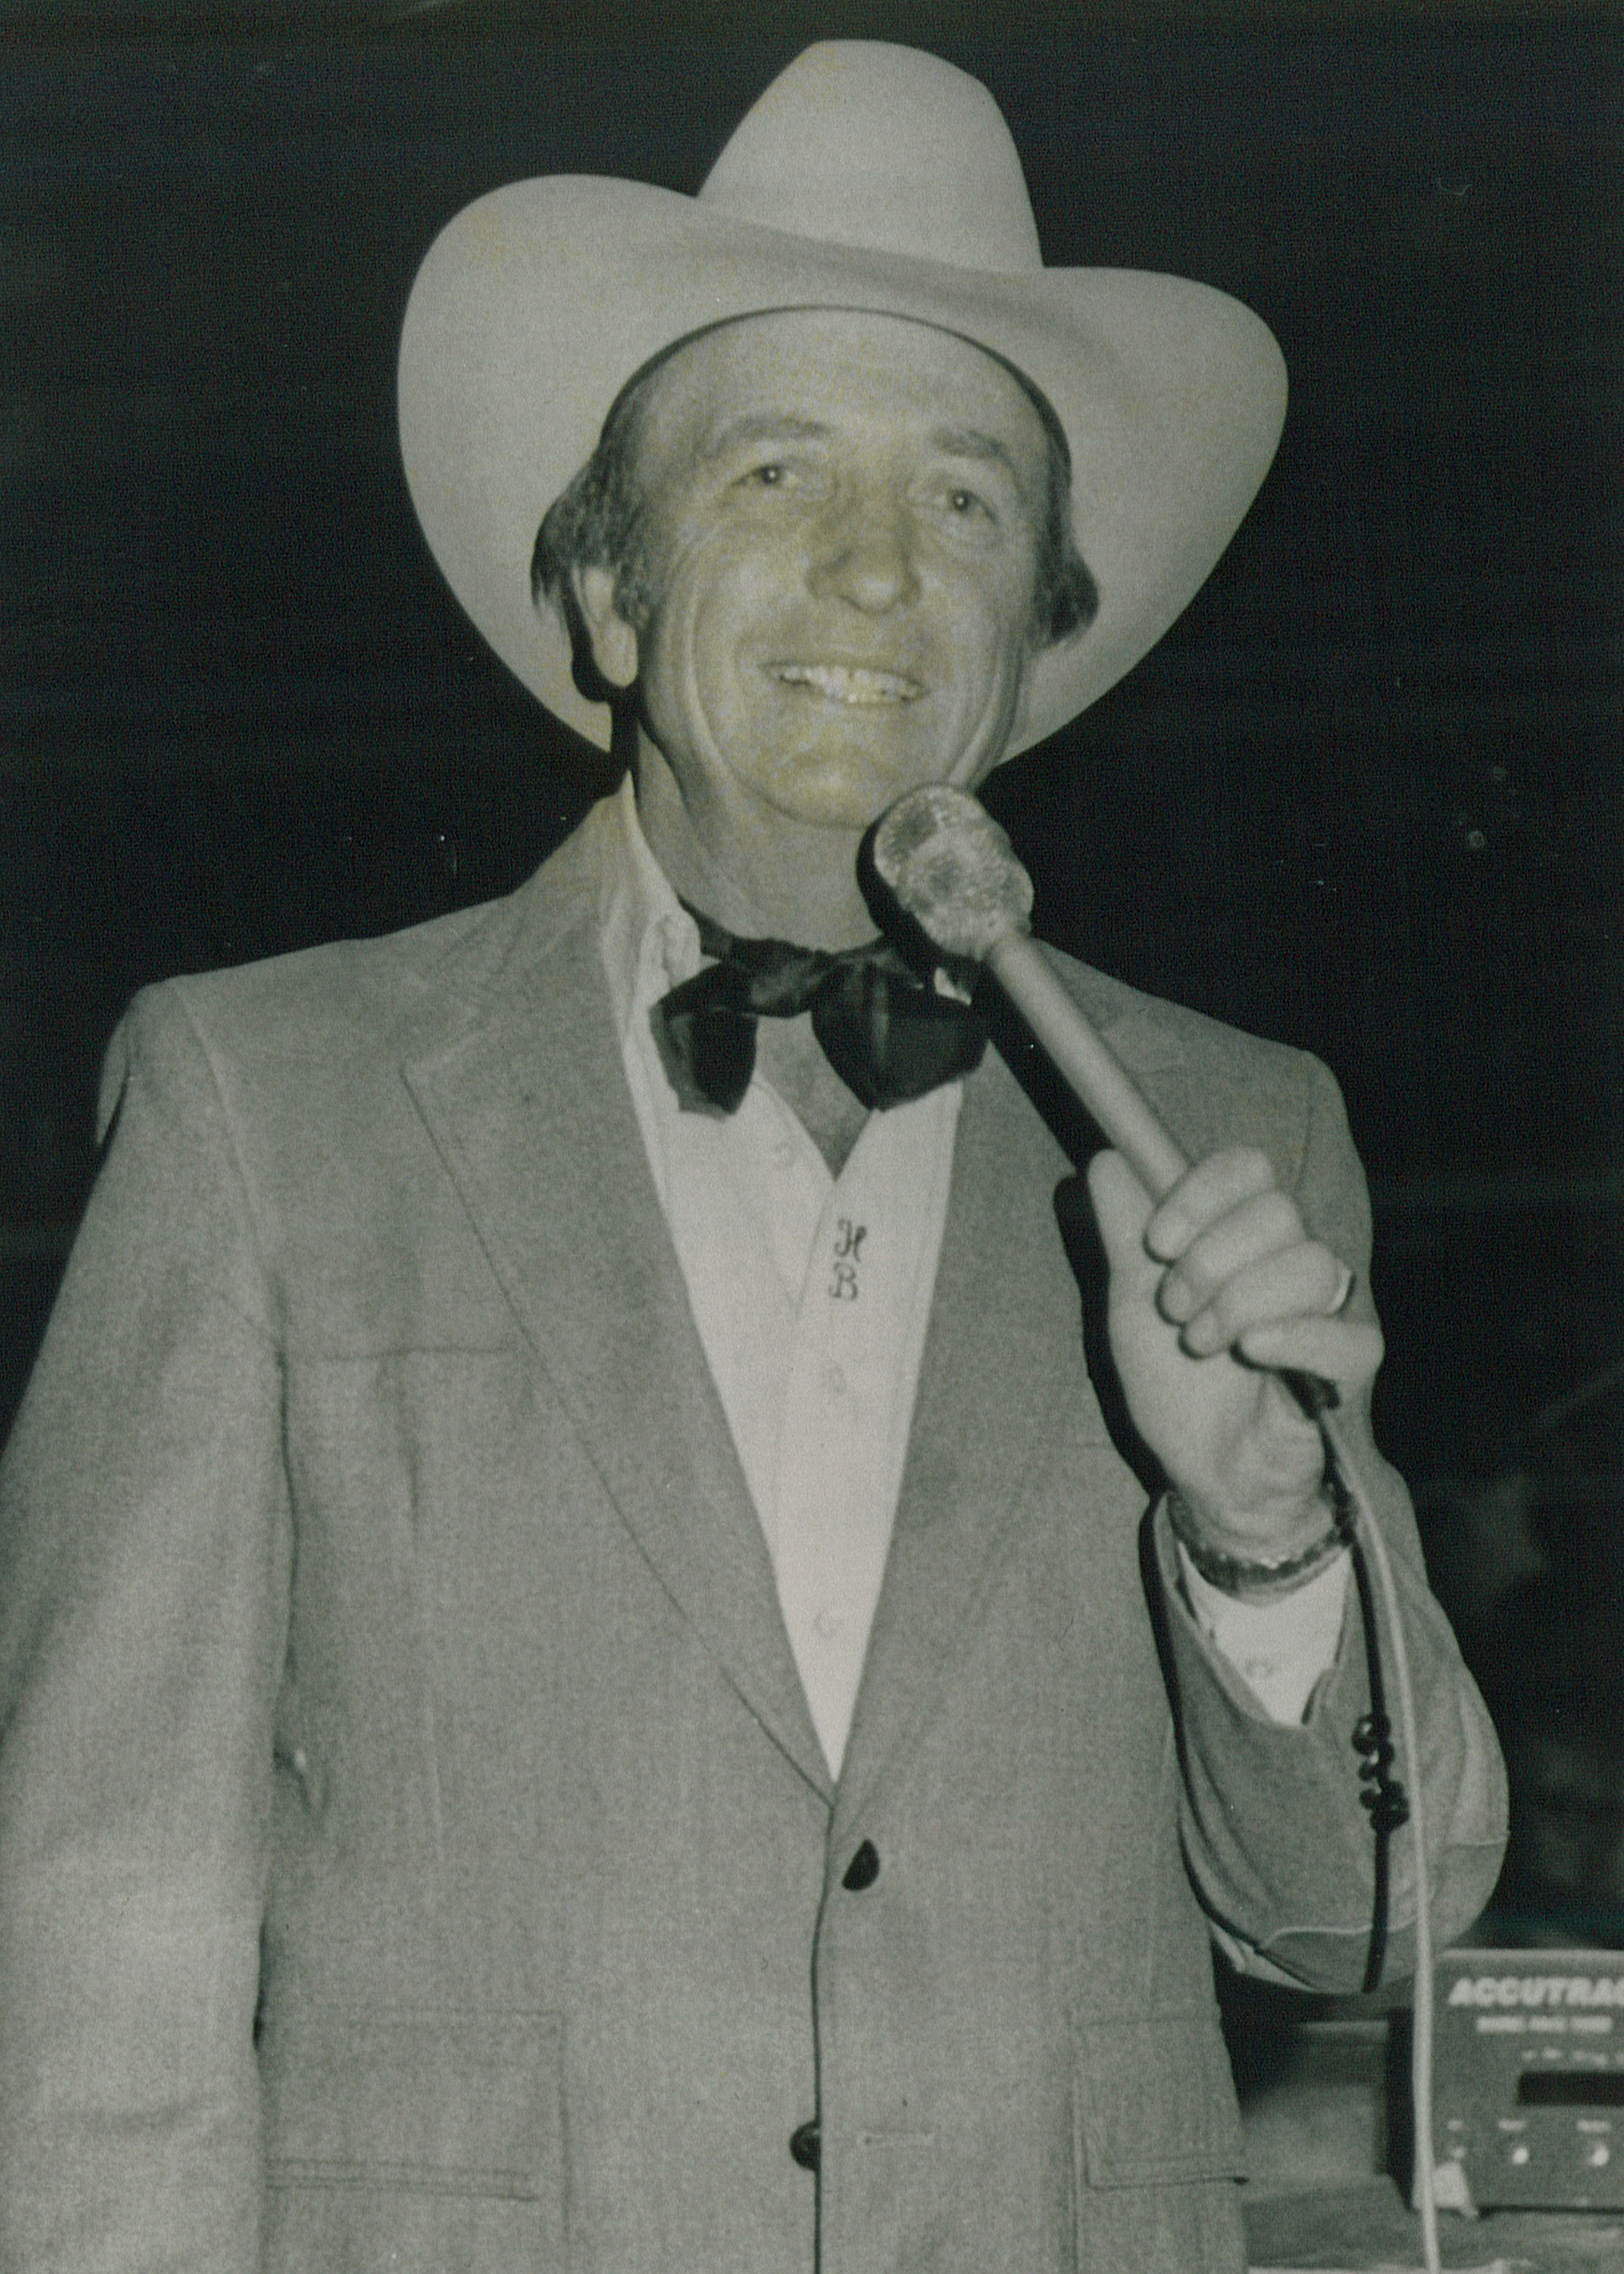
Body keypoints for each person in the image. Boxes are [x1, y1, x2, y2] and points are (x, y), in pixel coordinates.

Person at [0, 41, 1505, 2274]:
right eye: (775, 470)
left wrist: (1262, 1526)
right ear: (606, 600)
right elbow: (96, 1939)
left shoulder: (1232, 1133)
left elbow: (1368, 1924)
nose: (879, 573)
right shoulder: (261, 1100)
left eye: (970, 501)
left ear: (1035, 645)